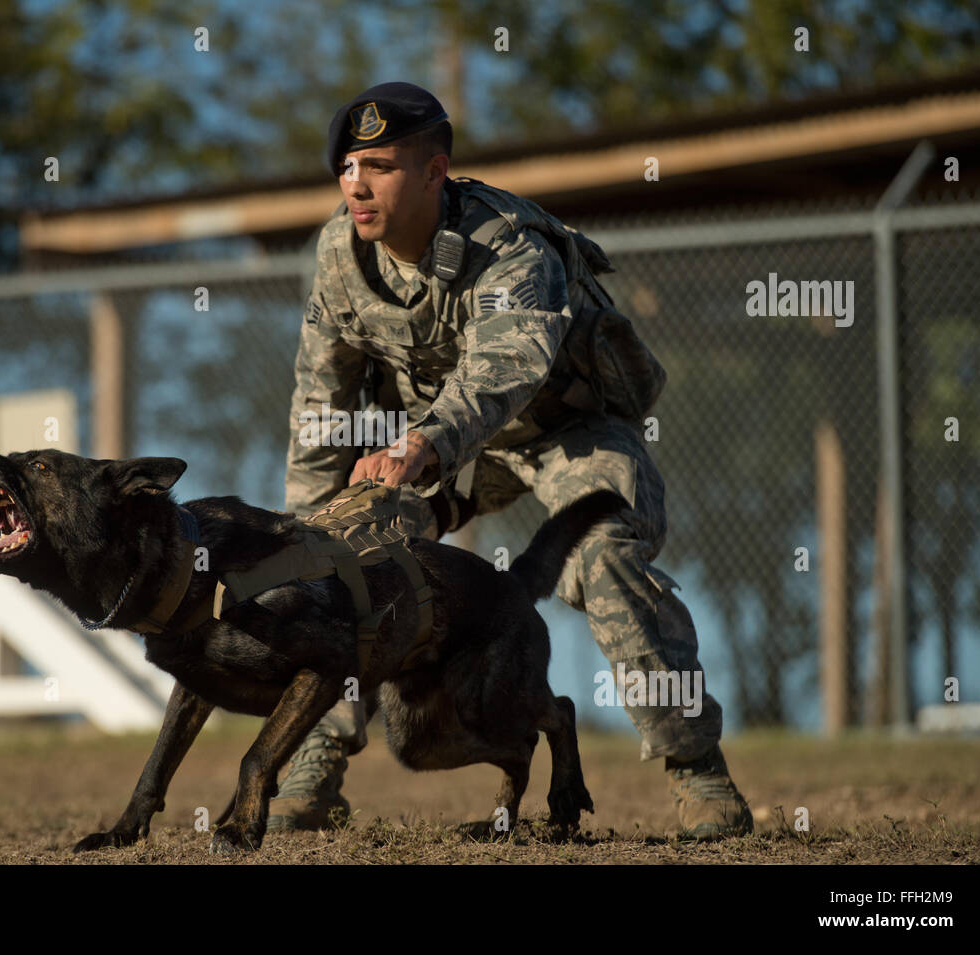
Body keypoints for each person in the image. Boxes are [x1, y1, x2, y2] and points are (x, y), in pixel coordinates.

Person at [273, 81, 753, 840]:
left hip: (561, 428)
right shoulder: (341, 256)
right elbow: (320, 409)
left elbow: (505, 370)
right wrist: (305, 533)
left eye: (381, 166)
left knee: (605, 560)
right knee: (340, 564)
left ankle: (697, 770)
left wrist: (422, 442)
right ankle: (315, 759)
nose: (356, 184)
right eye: (346, 167)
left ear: (435, 172)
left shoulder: (510, 245)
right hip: (442, 448)